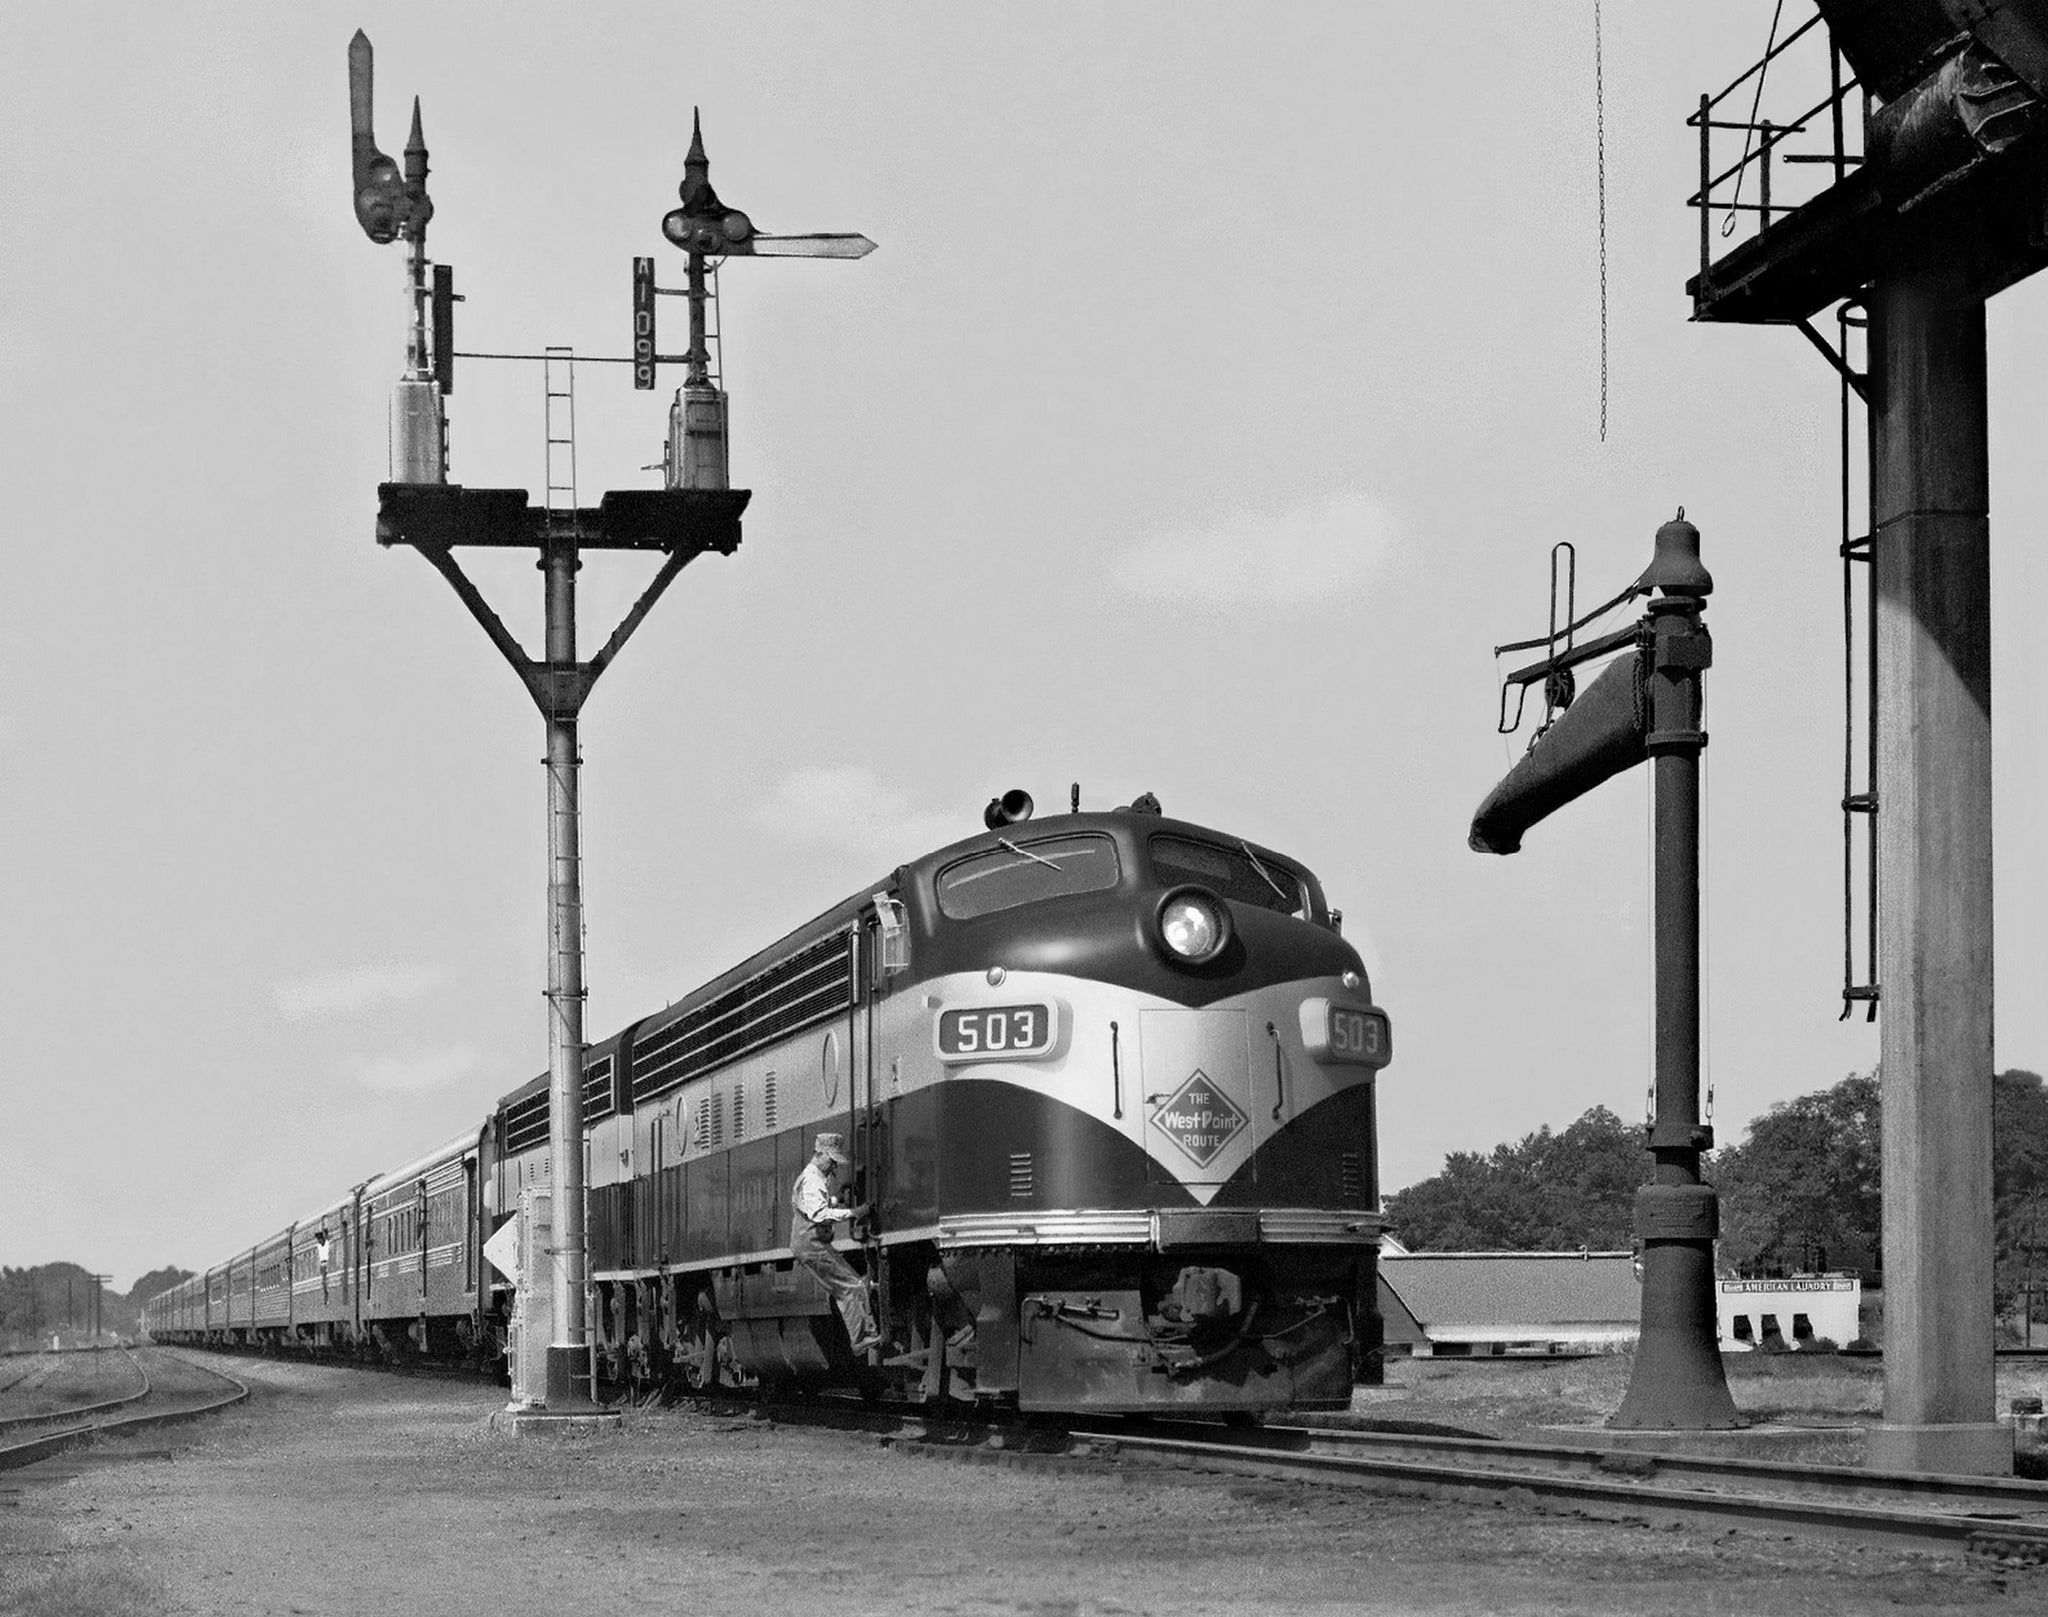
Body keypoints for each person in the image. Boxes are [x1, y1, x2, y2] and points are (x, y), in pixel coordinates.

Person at [790, 1133, 880, 1355]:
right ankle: (862, 1338)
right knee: (852, 1286)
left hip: (810, 1243)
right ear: (819, 1154)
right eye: (831, 1161)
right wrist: (854, 1213)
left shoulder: (814, 1177)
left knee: (846, 1287)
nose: (833, 1167)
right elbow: (818, 1214)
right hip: (812, 1244)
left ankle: (862, 1337)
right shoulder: (812, 1179)